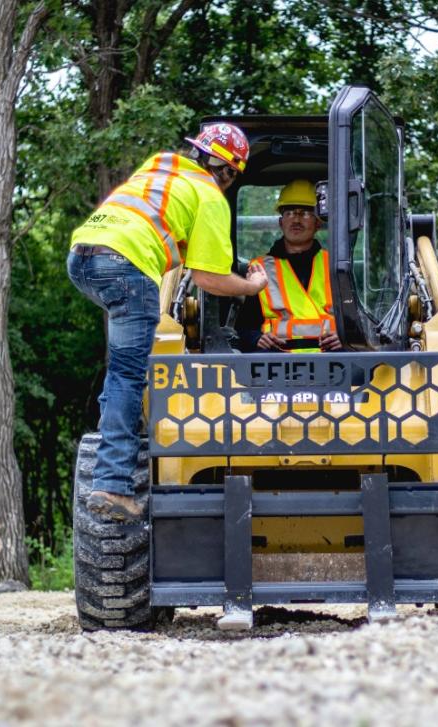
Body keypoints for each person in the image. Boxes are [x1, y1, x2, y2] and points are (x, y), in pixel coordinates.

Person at [68, 123, 268, 522]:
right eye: (233, 177)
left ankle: (112, 461)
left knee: (120, 373)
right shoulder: (209, 195)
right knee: (128, 375)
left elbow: (161, 233)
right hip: (126, 267)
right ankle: (113, 486)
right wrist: (251, 285)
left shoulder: (159, 166)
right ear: (228, 172)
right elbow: (210, 278)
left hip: (83, 257)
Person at [237, 179, 342, 353]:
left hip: (332, 361)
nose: (296, 219)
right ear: (281, 222)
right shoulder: (259, 269)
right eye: (290, 212)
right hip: (275, 363)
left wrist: (345, 337)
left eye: (305, 213)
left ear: (318, 223)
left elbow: (356, 321)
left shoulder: (334, 265)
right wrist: (257, 339)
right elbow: (244, 327)